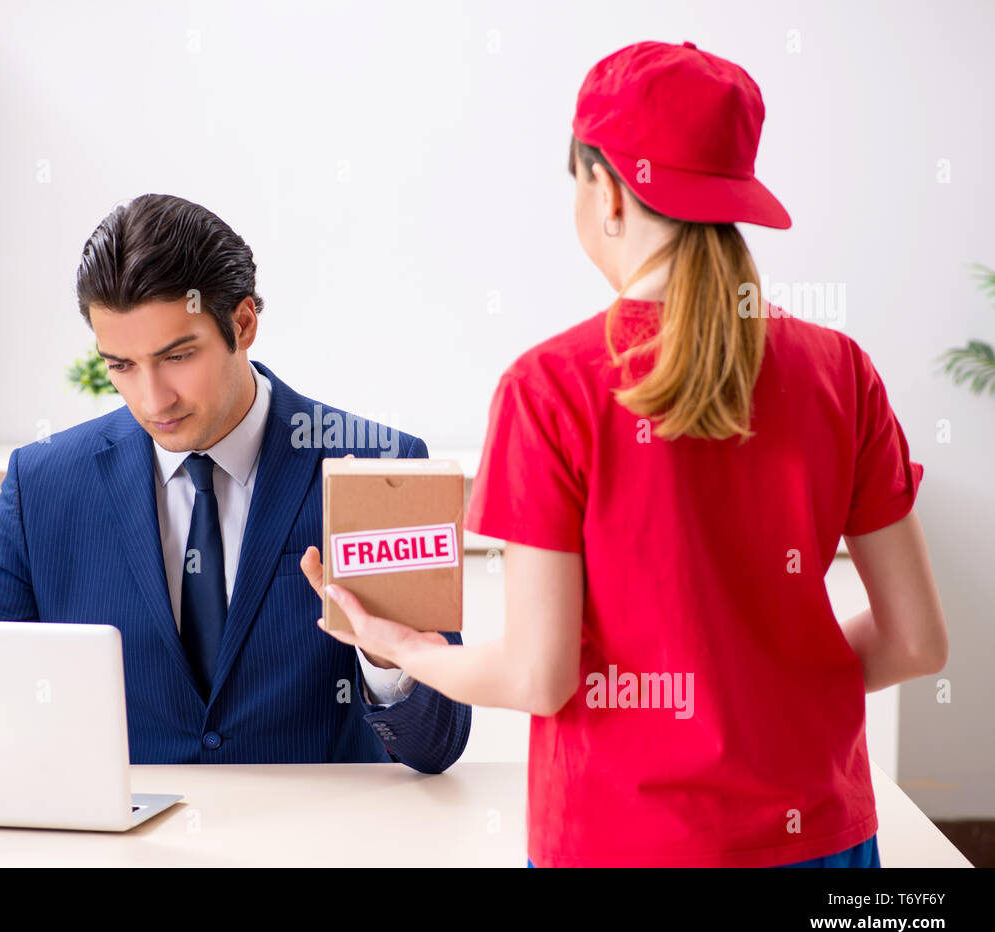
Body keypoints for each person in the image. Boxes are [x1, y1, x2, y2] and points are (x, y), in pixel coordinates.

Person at [314, 41, 948, 865]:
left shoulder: (549, 387)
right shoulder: (841, 371)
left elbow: (540, 676)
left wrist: (407, 650)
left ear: (606, 189)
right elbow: (916, 643)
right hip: (819, 835)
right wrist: (770, 692)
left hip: (619, 843)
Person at [0, 194, 470, 773]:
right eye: (121, 365)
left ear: (243, 324)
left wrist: (384, 653)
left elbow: (436, 746)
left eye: (177, 356)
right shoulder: (45, 484)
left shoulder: (380, 468)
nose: (153, 400)